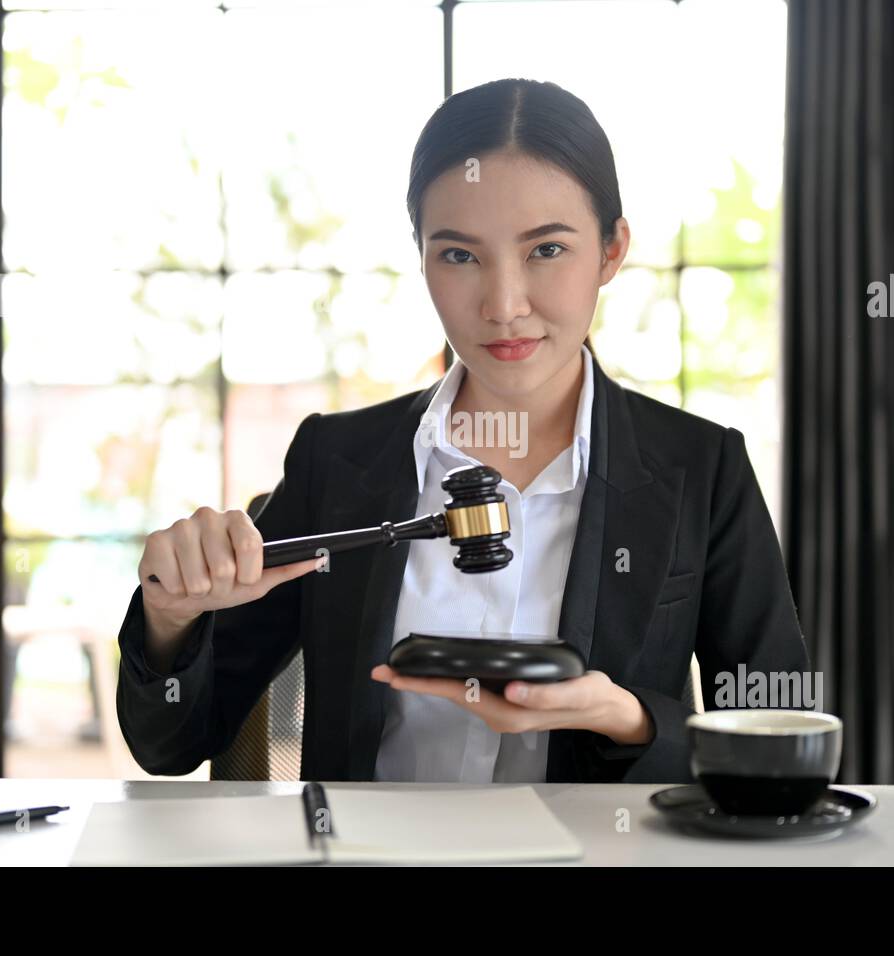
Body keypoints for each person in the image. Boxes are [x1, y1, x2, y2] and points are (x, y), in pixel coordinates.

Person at [116, 78, 810, 784]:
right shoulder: (339, 461)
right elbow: (173, 743)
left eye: (546, 250)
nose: (503, 306)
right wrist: (171, 621)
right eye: (458, 256)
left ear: (611, 251)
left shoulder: (702, 469)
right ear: (421, 258)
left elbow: (777, 753)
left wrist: (624, 718)